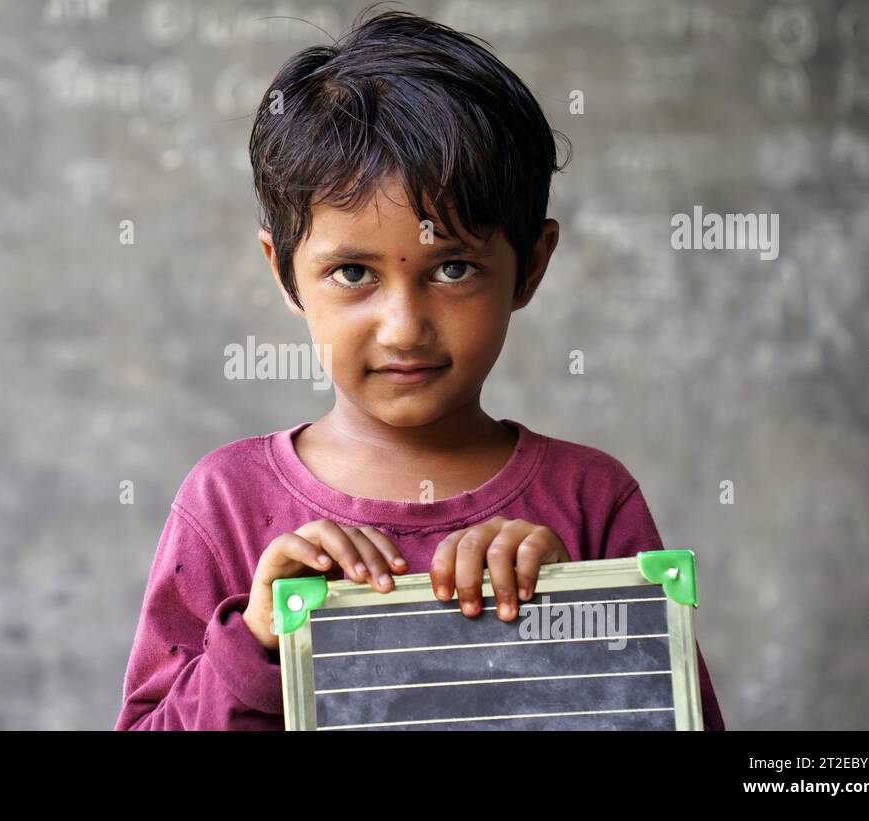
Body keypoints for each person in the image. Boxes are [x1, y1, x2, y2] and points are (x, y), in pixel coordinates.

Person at [115, 7, 726, 731]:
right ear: (284, 274)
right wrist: (254, 644)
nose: (404, 326)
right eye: (351, 272)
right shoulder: (228, 505)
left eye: (454, 267)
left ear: (530, 267)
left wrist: (573, 616)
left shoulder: (593, 500)